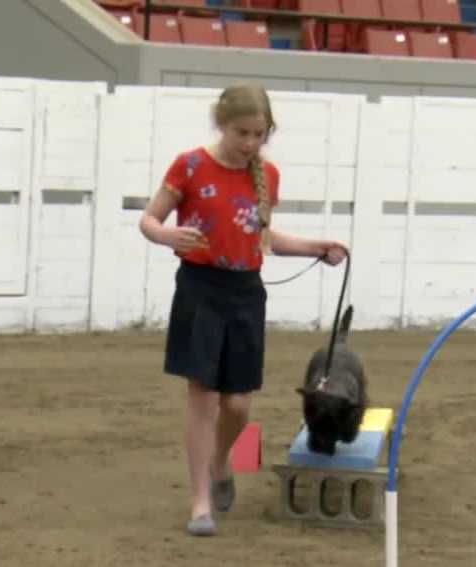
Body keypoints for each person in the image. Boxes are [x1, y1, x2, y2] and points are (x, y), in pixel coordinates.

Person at [139, 84, 348, 536]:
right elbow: (149, 219)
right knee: (203, 397)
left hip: (246, 293)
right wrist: (165, 236)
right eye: (242, 132)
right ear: (222, 123)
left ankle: (221, 462)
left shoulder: (267, 176)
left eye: (259, 134)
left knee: (238, 405)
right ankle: (199, 503)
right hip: (199, 289)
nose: (251, 142)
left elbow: (265, 242)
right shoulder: (190, 165)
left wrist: (317, 246)